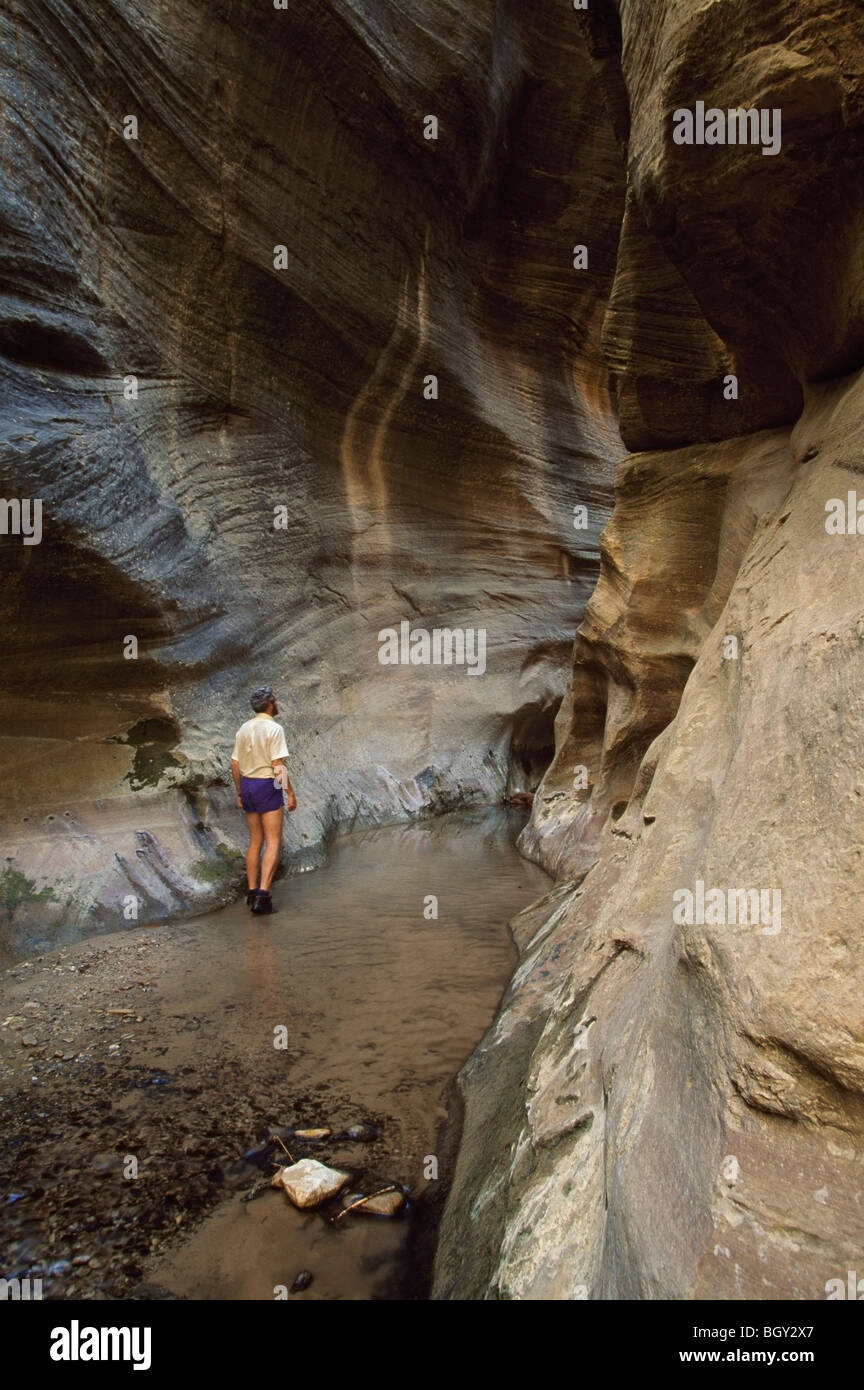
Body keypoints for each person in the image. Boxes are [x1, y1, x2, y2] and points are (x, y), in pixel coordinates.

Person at [230, 686, 297, 915]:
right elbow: (277, 766)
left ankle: (250, 892)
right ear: (270, 704)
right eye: (275, 700)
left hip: (247, 784)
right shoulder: (274, 729)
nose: (276, 703)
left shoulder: (244, 728)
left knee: (255, 841)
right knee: (273, 841)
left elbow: (235, 764)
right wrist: (289, 793)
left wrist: (240, 791)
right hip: (266, 784)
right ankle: (262, 897)